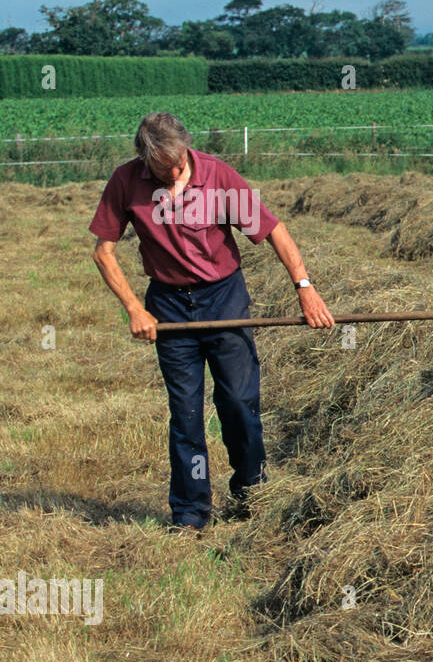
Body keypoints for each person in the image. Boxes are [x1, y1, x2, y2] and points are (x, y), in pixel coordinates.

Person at [89, 112, 334, 534]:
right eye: (166, 165)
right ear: (146, 159)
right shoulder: (127, 181)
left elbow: (273, 230)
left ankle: (250, 492)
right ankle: (190, 512)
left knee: (238, 402)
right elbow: (103, 252)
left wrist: (305, 287)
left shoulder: (217, 176)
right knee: (186, 414)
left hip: (224, 298)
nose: (177, 169)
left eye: (180, 159)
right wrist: (134, 307)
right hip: (168, 304)